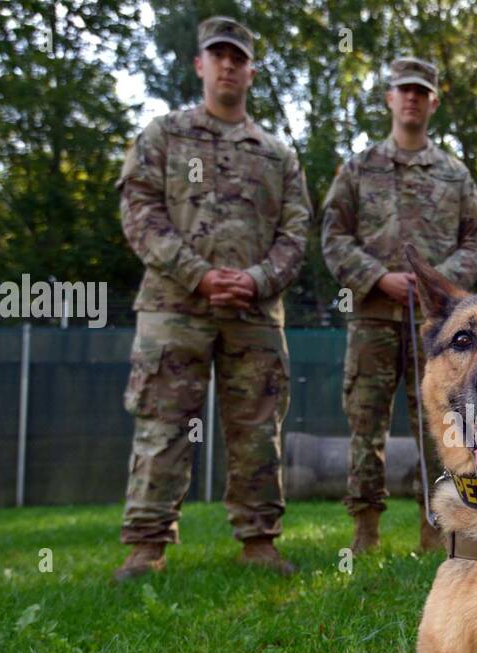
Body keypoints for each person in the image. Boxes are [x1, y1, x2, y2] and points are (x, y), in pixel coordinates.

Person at [114, 16, 311, 580]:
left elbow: (297, 232)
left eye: (238, 57)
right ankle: (147, 547)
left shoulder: (277, 155)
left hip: (253, 312)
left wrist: (258, 279)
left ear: (251, 70)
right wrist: (197, 273)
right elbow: (140, 213)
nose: (228, 65)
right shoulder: (163, 135)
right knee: (162, 424)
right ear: (199, 64)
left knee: (257, 429)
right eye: (217, 55)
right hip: (175, 308)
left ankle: (259, 542)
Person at [322, 56, 477, 553]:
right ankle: (365, 531)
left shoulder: (454, 175)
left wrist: (437, 283)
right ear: (389, 98)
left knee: (440, 422)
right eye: (403, 90)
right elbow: (333, 235)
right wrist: (377, 278)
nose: (412, 98)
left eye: (422, 91)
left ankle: (435, 530)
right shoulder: (358, 168)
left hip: (435, 326)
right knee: (365, 422)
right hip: (373, 315)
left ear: (433, 102)